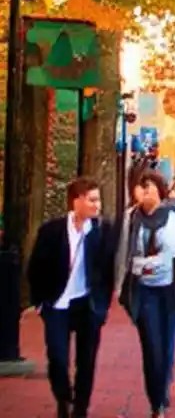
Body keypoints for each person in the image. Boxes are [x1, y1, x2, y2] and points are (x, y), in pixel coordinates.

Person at [27, 178, 116, 418]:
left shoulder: (102, 231)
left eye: (98, 200)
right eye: (92, 200)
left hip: (88, 304)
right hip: (57, 304)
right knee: (57, 357)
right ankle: (63, 398)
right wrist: (40, 303)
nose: (97, 205)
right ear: (76, 201)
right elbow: (35, 268)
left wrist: (103, 307)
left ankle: (80, 409)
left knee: (86, 361)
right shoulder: (52, 231)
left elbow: (107, 272)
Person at [119, 170, 175, 418]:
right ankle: (156, 402)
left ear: (160, 191)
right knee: (151, 346)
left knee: (167, 346)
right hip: (144, 290)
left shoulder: (174, 216)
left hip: (169, 290)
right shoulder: (131, 218)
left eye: (149, 187)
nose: (144, 192)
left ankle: (162, 393)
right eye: (140, 187)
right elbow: (123, 254)